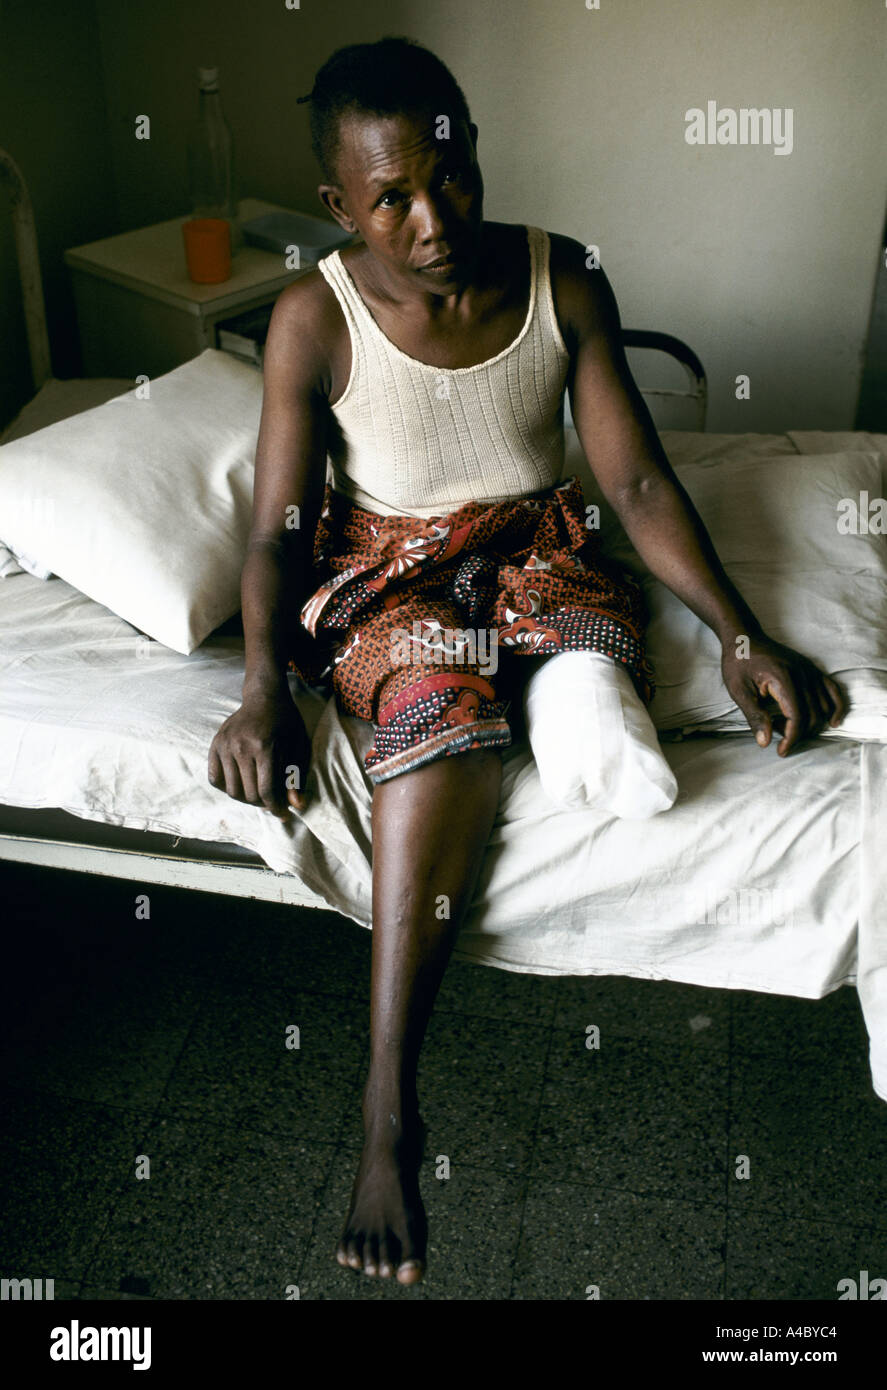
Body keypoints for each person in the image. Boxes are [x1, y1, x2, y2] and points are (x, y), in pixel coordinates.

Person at [207, 36, 846, 1285]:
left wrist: (734, 630)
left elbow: (635, 478)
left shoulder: (562, 276)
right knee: (435, 712)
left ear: (472, 149)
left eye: (445, 174)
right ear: (340, 206)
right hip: (393, 574)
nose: (431, 217)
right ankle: (388, 1108)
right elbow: (277, 529)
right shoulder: (310, 318)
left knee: (579, 622)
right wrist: (259, 690)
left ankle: (575, 701)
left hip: (533, 546)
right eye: (388, 198)